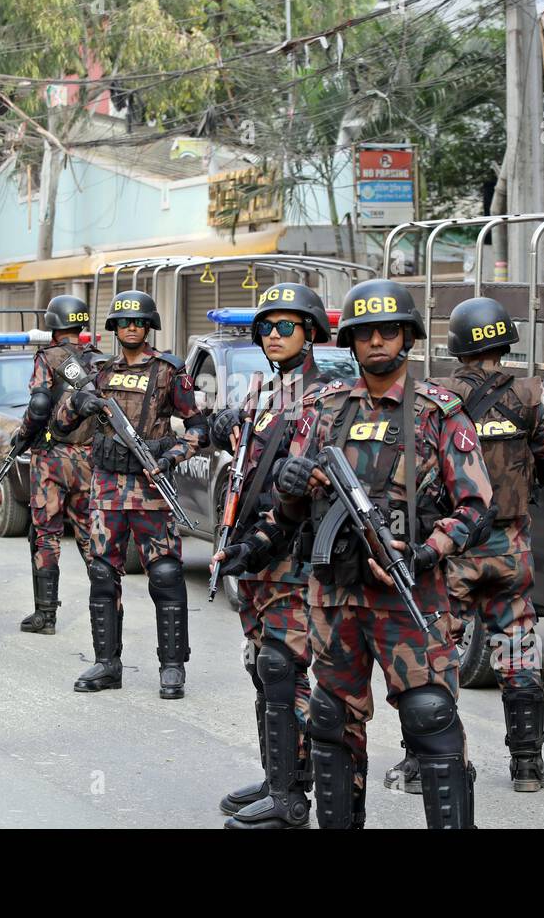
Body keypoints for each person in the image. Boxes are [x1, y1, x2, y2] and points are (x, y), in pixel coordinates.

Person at [258, 278, 495, 828]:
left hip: (409, 592)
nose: (377, 342)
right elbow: (290, 512)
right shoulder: (323, 409)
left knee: (430, 716)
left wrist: (427, 552)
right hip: (334, 594)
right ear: (352, 342)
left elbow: (477, 508)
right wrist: (291, 483)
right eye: (365, 333)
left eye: (389, 330)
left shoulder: (440, 411)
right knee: (331, 719)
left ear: (407, 337)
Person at [385, 297, 544, 794]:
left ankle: (426, 765)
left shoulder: (433, 396)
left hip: (453, 544)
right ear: (506, 339)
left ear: (457, 344)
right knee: (518, 650)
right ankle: (527, 765)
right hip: (511, 545)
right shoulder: (535, 395)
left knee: (435, 652)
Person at [208, 282, 335, 829]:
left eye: (286, 326)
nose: (274, 335)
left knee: (286, 670)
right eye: (266, 328)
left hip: (293, 555)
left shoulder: (323, 396)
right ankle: (276, 774)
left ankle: (292, 797)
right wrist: (220, 426)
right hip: (256, 553)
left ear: (311, 332)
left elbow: (314, 481)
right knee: (263, 669)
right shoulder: (267, 394)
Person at [52, 289, 208, 699]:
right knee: (102, 573)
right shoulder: (98, 374)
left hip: (151, 486)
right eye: (124, 321)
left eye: (138, 321)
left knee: (166, 574)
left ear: (149, 325)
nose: (131, 327)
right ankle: (107, 663)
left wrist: (172, 454)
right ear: (115, 328)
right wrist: (80, 402)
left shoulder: (169, 371)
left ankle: (172, 666)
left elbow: (198, 428)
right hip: (105, 487)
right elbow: (62, 423)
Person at [14, 294, 96, 635]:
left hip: (52, 456)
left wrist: (23, 437)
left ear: (53, 326)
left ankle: (45, 615)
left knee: (45, 533)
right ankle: (106, 600)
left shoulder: (48, 358)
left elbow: (39, 404)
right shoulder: (99, 361)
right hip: (89, 457)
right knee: (89, 533)